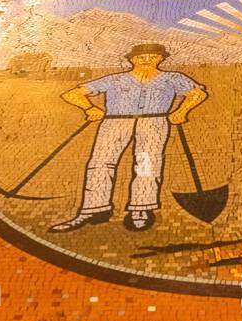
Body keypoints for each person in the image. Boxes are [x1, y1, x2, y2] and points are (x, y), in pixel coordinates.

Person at [49, 43, 208, 233]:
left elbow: (198, 93)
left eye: (152, 57)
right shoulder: (116, 80)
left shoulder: (172, 78)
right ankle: (93, 209)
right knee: (101, 162)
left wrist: (182, 111)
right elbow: (72, 93)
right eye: (141, 57)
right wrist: (89, 108)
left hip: (153, 122)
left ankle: (141, 208)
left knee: (146, 163)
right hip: (116, 122)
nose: (146, 60)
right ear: (132, 59)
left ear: (161, 59)